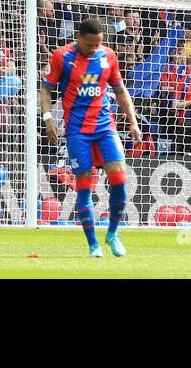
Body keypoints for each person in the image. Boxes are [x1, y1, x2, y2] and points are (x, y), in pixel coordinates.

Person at [39, 16, 143, 258]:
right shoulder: (62, 57)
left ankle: (113, 234)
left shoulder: (108, 57)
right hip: (77, 132)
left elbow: (120, 90)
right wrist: (48, 118)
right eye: (90, 45)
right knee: (85, 188)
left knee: (119, 181)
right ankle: (93, 244)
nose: (95, 49)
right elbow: (46, 89)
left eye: (98, 44)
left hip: (106, 128)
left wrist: (133, 121)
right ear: (79, 39)